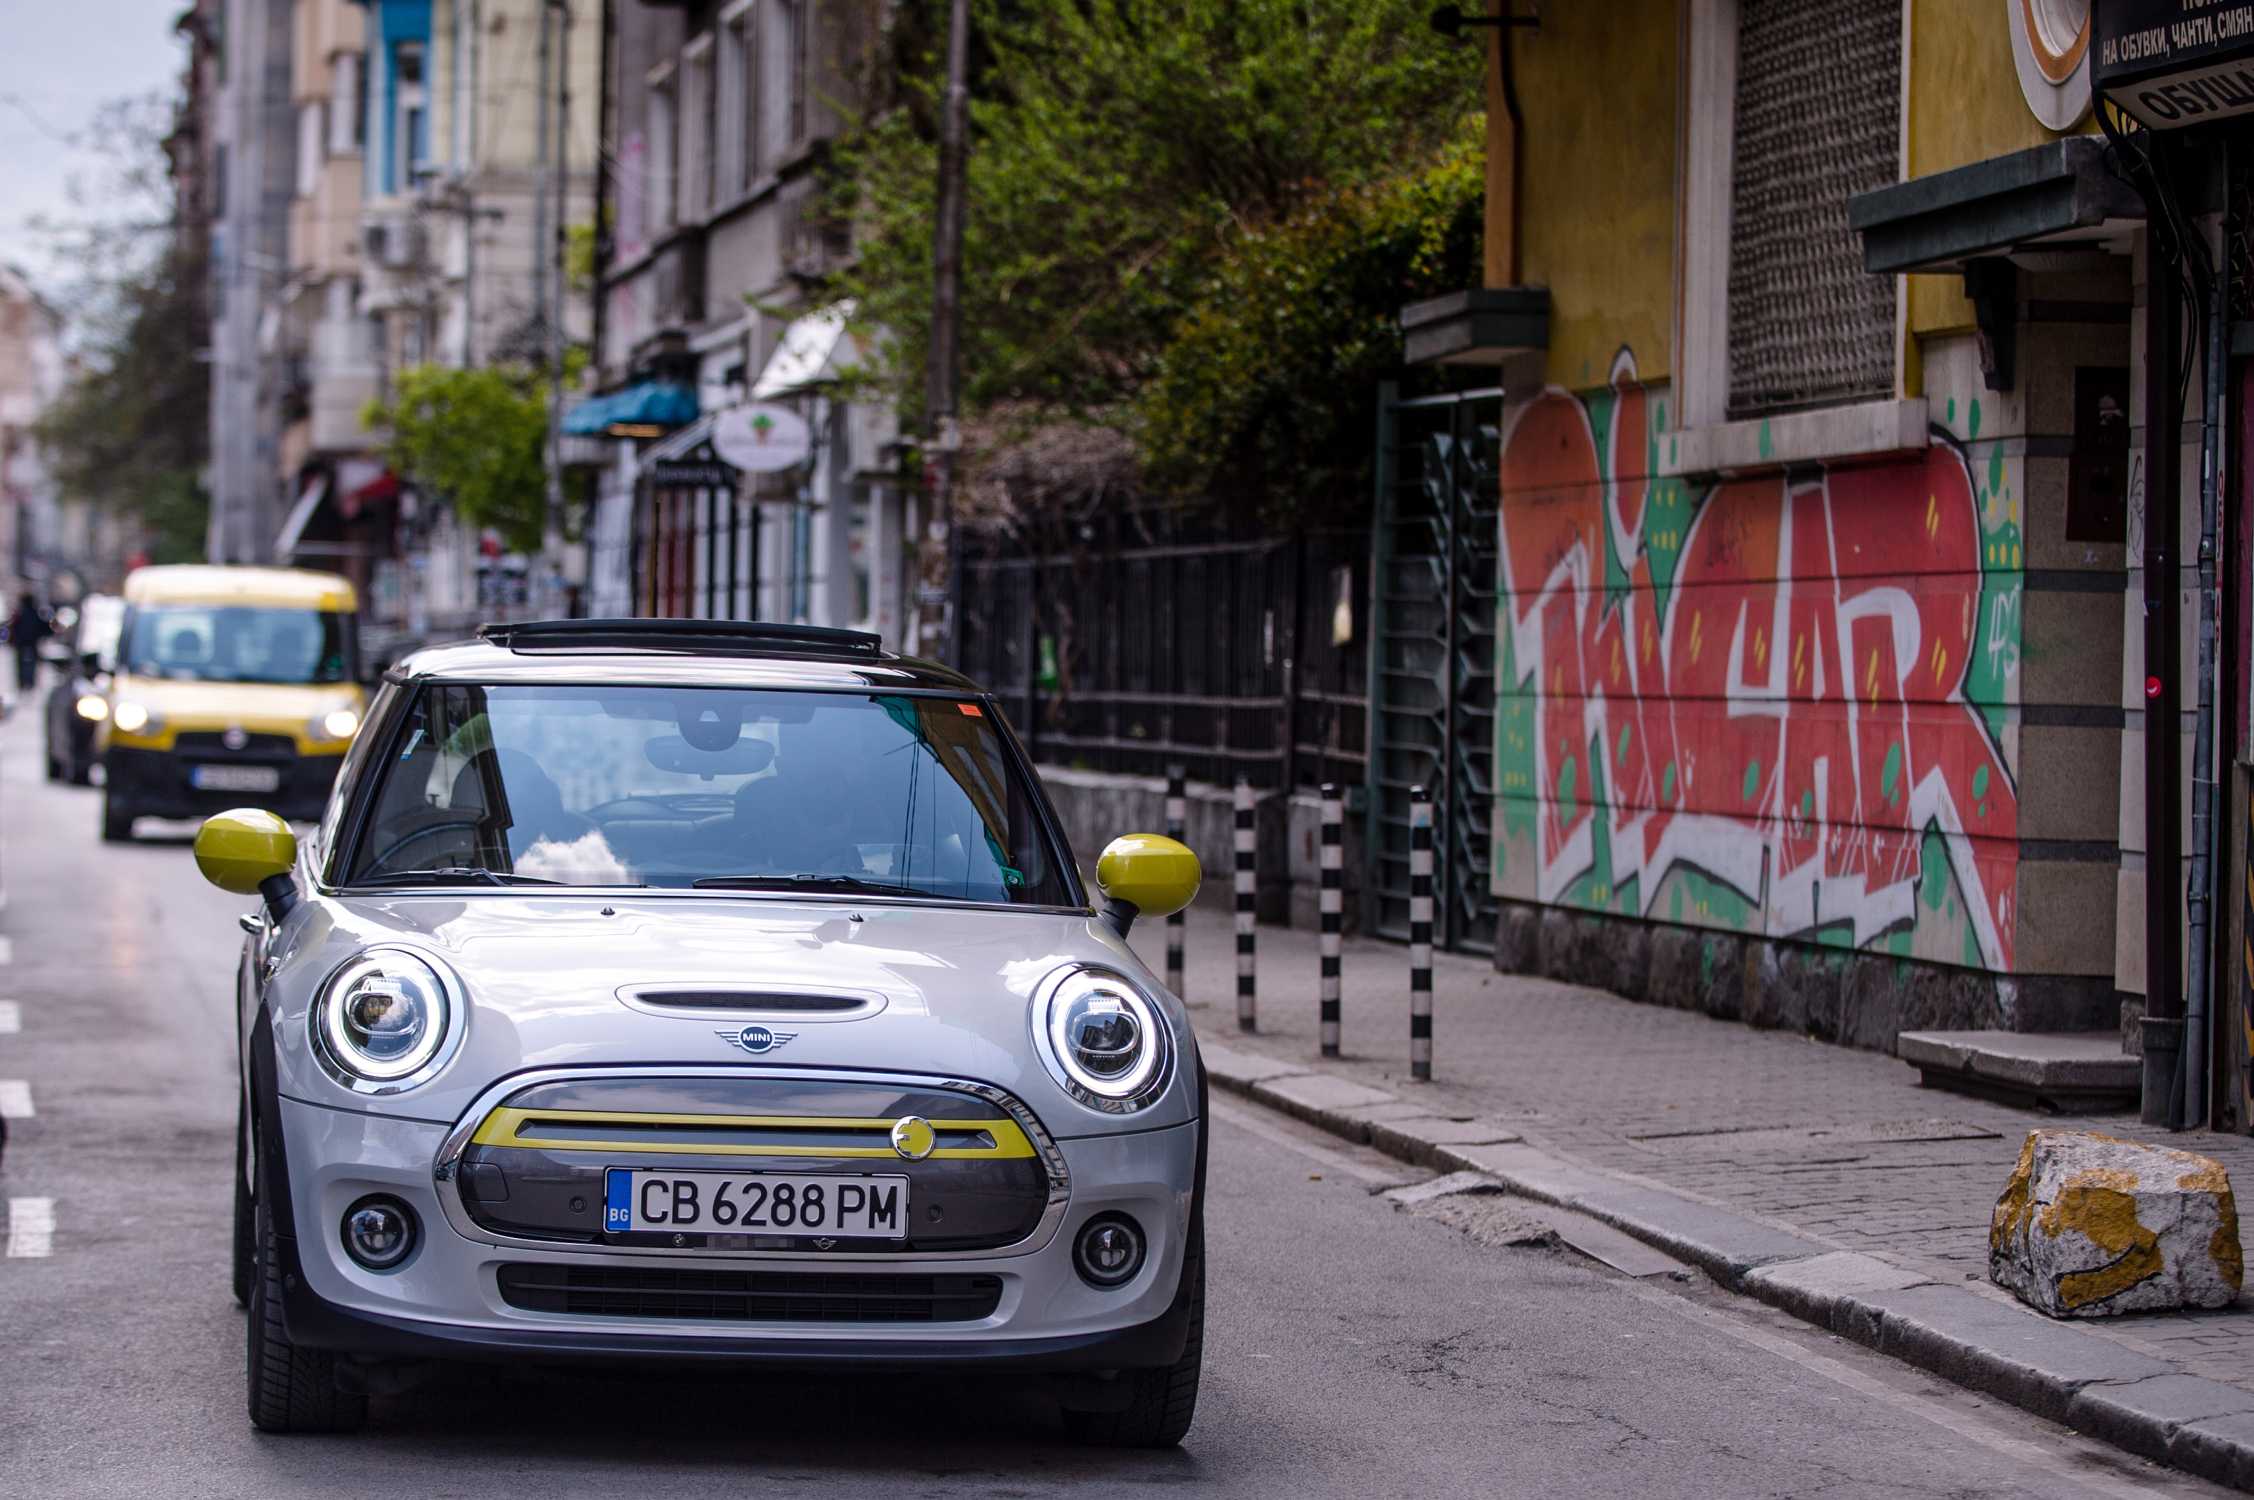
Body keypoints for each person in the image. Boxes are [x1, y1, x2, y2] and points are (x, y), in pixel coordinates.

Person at [4, 588, 50, 695]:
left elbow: (12, 627)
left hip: (21, 643)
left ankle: (22, 683)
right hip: (32, 643)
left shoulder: (19, 614)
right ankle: (30, 683)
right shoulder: (36, 613)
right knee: (32, 663)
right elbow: (44, 627)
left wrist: (12, 640)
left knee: (21, 664)